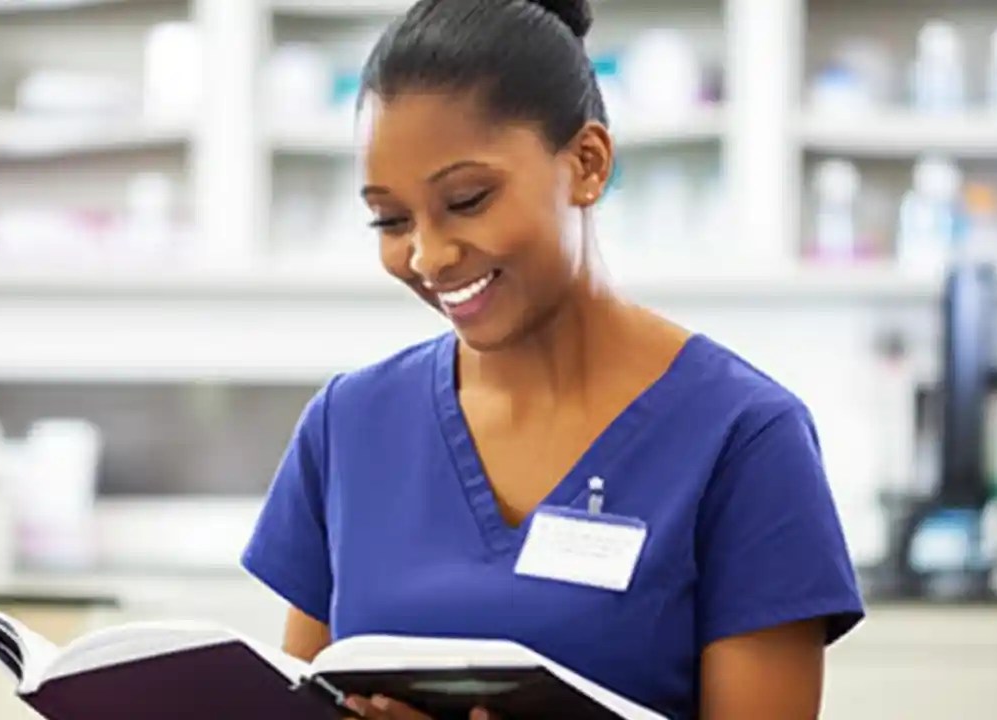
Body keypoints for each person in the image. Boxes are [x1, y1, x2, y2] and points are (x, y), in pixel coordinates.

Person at [241, 0, 864, 717]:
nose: (427, 255)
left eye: (467, 199)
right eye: (391, 219)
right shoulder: (348, 427)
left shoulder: (745, 439)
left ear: (588, 164)